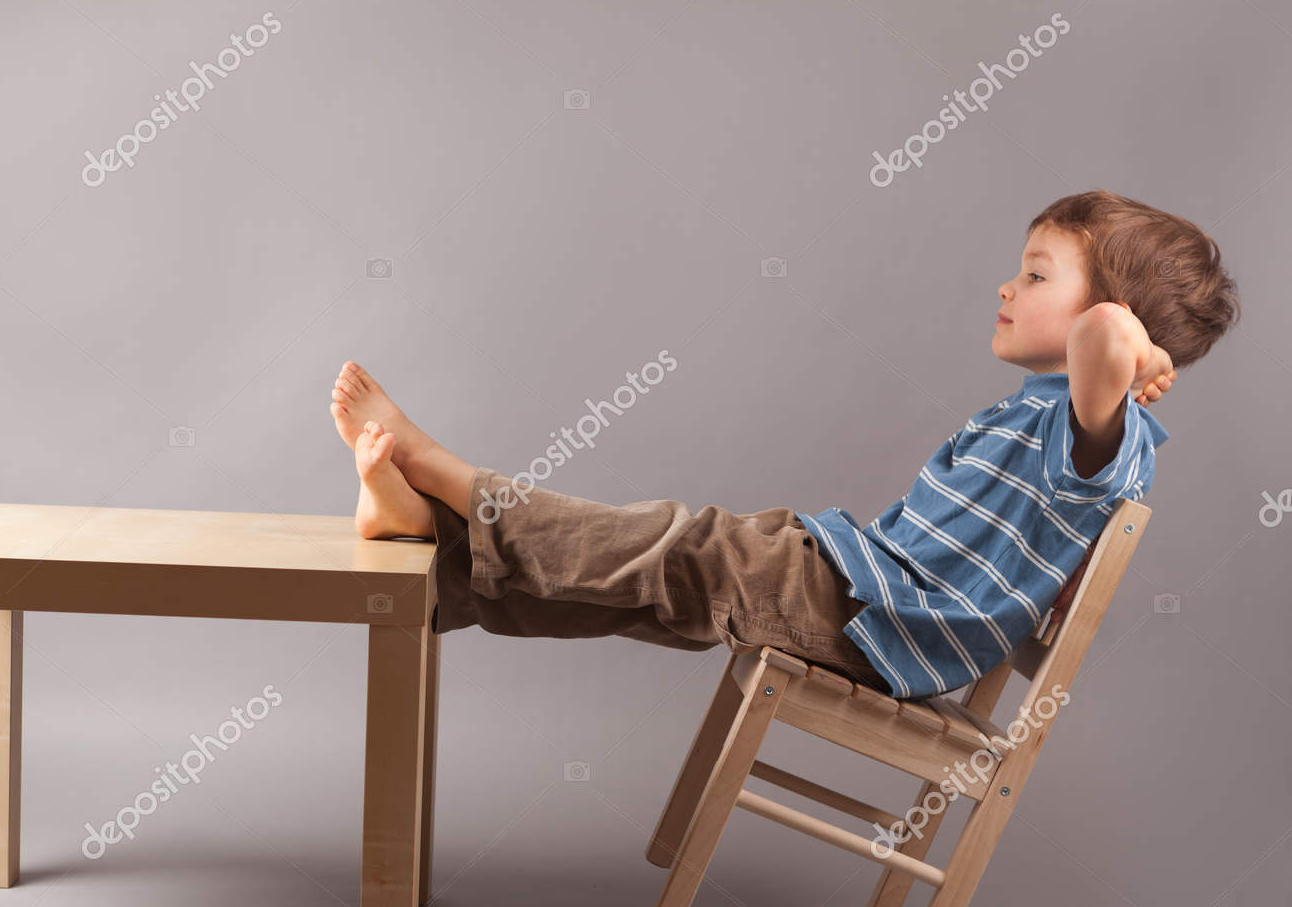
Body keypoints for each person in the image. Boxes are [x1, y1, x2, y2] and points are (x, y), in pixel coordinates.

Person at [329, 190, 1239, 699]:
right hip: (852, 586)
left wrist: (1138, 344)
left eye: (1036, 274)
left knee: (674, 542)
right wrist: (1126, 339)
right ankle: (429, 541)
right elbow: (1105, 340)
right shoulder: (1051, 410)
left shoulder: (1099, 441)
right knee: (643, 590)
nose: (1006, 285)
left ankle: (446, 474)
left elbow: (1107, 342)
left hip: (874, 622)